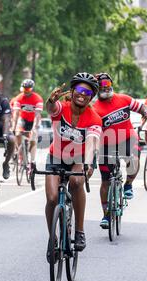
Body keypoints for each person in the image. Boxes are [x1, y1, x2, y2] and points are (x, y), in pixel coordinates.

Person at [44, 72, 102, 254]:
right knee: (52, 199)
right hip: (56, 157)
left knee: (77, 183)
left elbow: (92, 142)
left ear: (91, 97)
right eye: (79, 89)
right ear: (72, 90)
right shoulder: (63, 108)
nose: (82, 94)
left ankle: (79, 231)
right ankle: (52, 238)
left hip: (79, 159)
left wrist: (88, 164)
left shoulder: (94, 118)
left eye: (88, 92)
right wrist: (51, 101)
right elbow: (51, 108)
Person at [92, 73, 147, 229]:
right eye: (102, 87)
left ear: (112, 85)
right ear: (97, 89)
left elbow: (141, 107)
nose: (106, 88)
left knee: (134, 159)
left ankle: (128, 185)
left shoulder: (124, 99)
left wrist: (146, 112)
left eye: (108, 85)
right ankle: (105, 214)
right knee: (105, 181)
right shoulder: (94, 108)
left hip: (127, 139)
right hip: (106, 145)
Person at [11, 79, 43, 170]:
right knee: (17, 133)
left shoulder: (38, 99)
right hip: (23, 119)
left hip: (33, 120)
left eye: (28, 89)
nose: (26, 91)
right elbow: (16, 113)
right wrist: (13, 126)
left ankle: (32, 162)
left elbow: (37, 115)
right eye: (24, 89)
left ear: (32, 89)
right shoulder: (19, 98)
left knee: (33, 139)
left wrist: (34, 127)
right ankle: (19, 152)